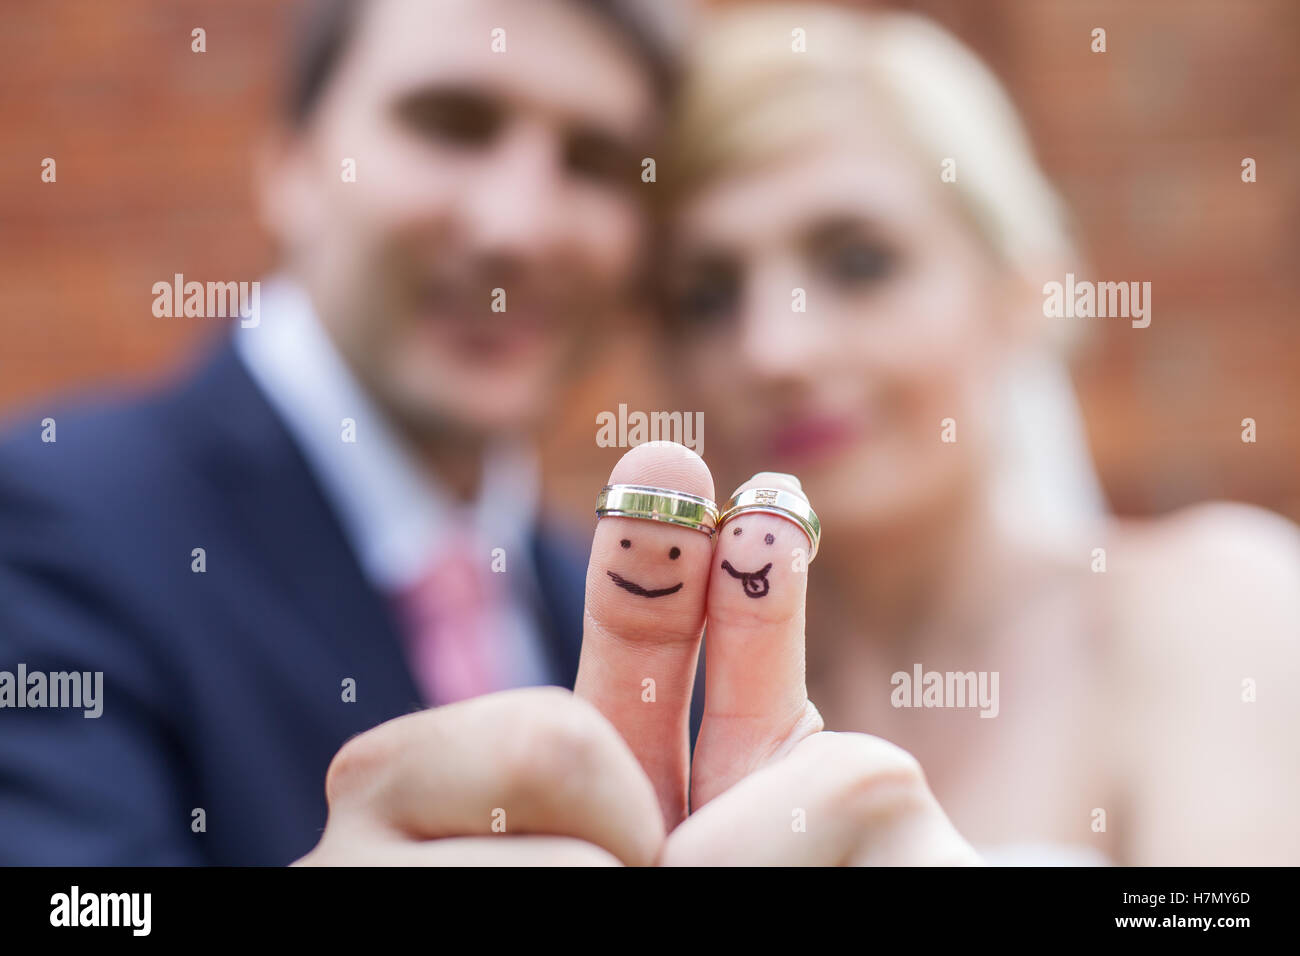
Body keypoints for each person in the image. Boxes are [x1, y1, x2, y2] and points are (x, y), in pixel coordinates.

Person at [0, 0, 677, 865]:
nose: (517, 227)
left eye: (595, 162)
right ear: (293, 162)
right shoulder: (47, 529)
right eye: (452, 125)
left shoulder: (612, 607)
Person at [656, 3, 1300, 864]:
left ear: (1020, 291)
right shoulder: (669, 707)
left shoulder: (1210, 611)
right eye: (709, 295)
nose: (774, 348)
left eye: (859, 262)